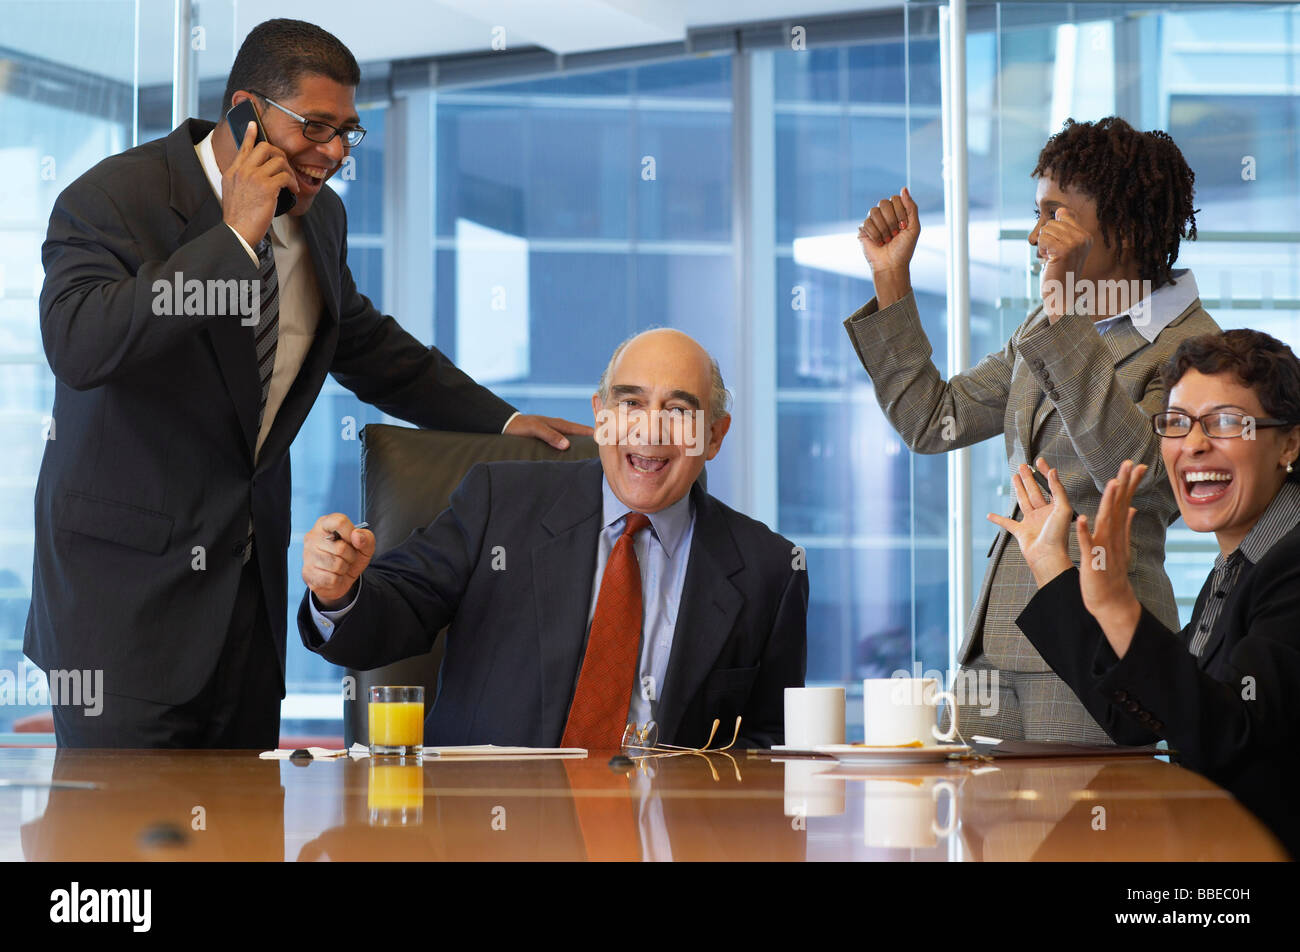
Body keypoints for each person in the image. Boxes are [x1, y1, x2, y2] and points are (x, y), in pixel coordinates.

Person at [26, 19, 589, 749]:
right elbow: (79, 345)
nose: (332, 154)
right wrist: (231, 239)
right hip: (122, 617)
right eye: (315, 127)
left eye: (347, 133)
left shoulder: (320, 219)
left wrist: (504, 421)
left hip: (247, 613)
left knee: (242, 839)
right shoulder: (114, 198)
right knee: (125, 840)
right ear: (245, 111)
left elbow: (364, 343)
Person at [843, 116, 1219, 741]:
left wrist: (1062, 315)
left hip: (1092, 659)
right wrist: (891, 279)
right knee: (975, 835)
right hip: (992, 656)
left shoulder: (1193, 346)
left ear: (1120, 223)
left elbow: (1145, 479)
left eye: (1053, 213)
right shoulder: (1048, 324)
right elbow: (936, 419)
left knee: (1078, 836)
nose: (1034, 235)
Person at [298, 329, 808, 749]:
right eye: (630, 402)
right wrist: (338, 592)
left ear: (714, 436)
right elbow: (392, 614)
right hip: (492, 829)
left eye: (678, 411)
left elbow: (770, 747)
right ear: (600, 415)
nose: (649, 431)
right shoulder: (501, 502)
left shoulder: (770, 570)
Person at [994, 329, 1300, 858]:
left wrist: (1117, 603)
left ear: (1289, 443)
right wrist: (1052, 566)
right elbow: (1143, 717)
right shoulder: (1242, 562)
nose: (1194, 444)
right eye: (1177, 423)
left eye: (1226, 422)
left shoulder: (1290, 564)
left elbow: (1231, 738)